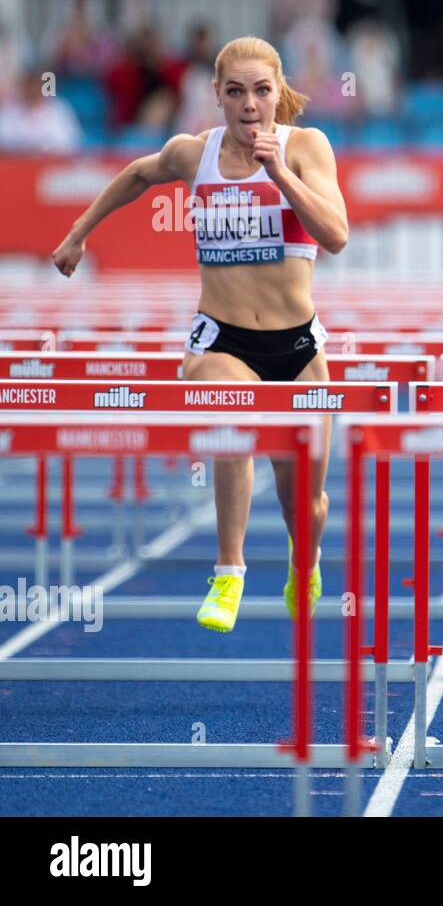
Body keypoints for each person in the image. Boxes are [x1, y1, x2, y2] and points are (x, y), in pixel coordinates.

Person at [51, 35, 349, 634]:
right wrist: (78, 232)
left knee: (305, 506)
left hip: (296, 348)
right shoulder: (196, 154)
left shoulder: (306, 146)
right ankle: (229, 570)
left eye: (261, 92)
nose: (248, 105)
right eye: (234, 92)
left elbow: (337, 234)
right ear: (216, 95)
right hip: (222, 341)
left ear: (276, 94)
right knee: (232, 421)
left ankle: (305, 559)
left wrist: (279, 174)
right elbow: (138, 175)